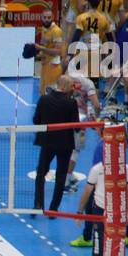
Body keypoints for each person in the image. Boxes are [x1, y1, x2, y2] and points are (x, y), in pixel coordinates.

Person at [76, 153, 128, 256]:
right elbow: (87, 190)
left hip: (117, 211)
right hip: (100, 211)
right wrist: (79, 212)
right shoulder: (97, 169)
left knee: (116, 243)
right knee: (98, 242)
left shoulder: (125, 168)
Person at [32, 74, 81, 212]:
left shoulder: (44, 99)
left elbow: (36, 120)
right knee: (61, 175)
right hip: (65, 145)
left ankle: (38, 204)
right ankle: (54, 208)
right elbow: (76, 126)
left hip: (47, 142)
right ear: (66, 87)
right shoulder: (71, 103)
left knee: (41, 172)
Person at [34, 12, 64, 95]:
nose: (47, 20)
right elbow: (44, 46)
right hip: (45, 65)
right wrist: (37, 54)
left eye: (49, 17)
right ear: (41, 17)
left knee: (50, 96)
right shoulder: (44, 29)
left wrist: (40, 48)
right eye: (45, 17)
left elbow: (58, 51)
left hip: (53, 67)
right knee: (42, 93)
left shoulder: (56, 31)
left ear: (53, 17)